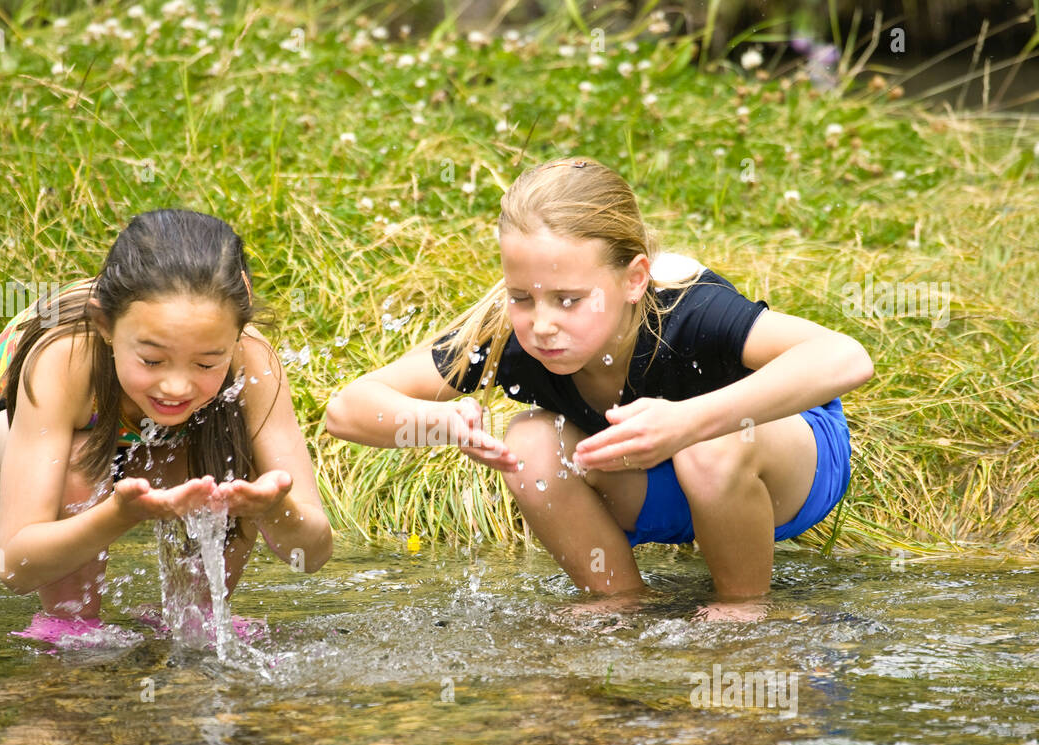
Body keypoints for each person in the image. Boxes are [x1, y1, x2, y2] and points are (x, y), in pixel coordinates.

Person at [324, 157, 872, 612]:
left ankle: (743, 614)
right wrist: (443, 421)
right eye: (522, 297)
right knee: (529, 441)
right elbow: (347, 409)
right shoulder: (512, 335)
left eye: (569, 300)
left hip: (782, 475)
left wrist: (689, 421)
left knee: (708, 448)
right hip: (656, 489)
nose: (541, 324)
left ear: (634, 279)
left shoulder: (687, 308)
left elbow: (846, 357)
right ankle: (621, 605)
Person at [0, 208, 332, 637]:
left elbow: (313, 554)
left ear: (236, 335)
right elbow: (16, 568)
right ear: (105, 325)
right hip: (3, 432)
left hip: (154, 445)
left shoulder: (253, 361)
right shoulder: (66, 357)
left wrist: (275, 507)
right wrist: (117, 514)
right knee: (82, 462)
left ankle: (195, 616)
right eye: (151, 359)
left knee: (235, 467)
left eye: (207, 362)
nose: (176, 386)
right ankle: (69, 624)